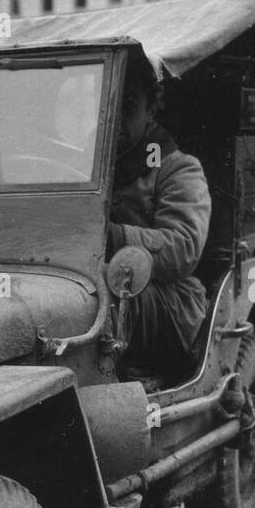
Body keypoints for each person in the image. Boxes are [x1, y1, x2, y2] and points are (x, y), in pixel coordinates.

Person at [108, 54, 212, 375]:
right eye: (106, 105)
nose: (113, 119)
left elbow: (183, 247)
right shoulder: (87, 164)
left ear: (152, 107)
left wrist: (113, 237)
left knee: (96, 296)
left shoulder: (176, 167)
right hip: (115, 290)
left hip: (171, 303)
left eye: (127, 106)